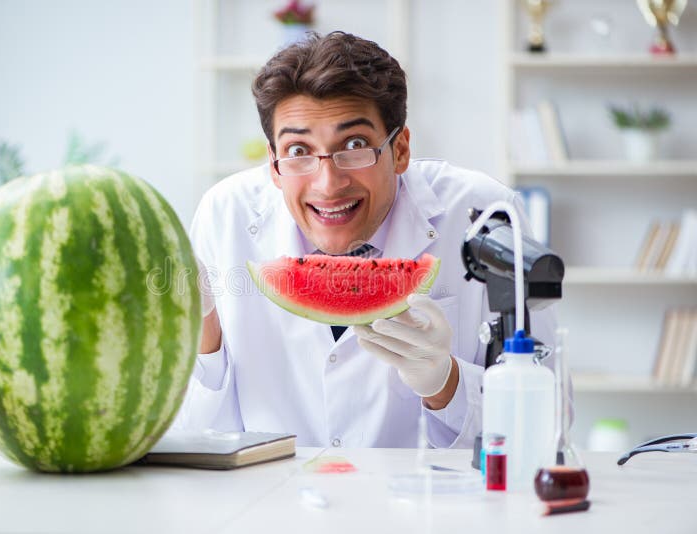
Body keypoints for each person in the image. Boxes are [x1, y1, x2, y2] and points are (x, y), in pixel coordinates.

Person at [174, 31, 556, 449]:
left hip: (429, 508)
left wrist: (447, 383)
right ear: (274, 165)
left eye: (354, 145)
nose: (328, 183)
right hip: (274, 505)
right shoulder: (224, 214)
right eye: (299, 150)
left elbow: (550, 424)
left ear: (401, 149)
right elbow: (199, 437)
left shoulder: (485, 211)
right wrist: (204, 344)